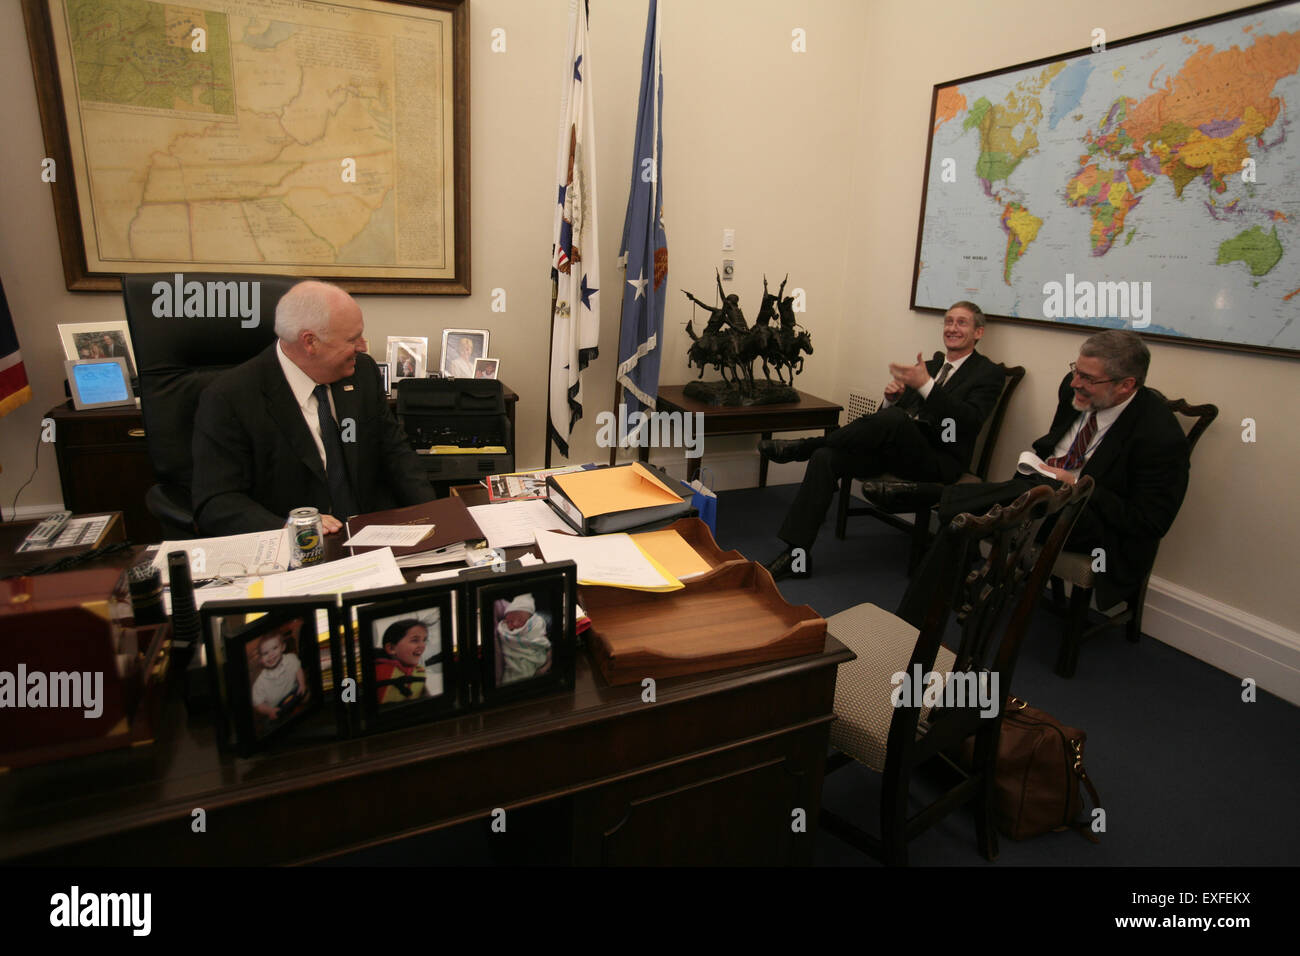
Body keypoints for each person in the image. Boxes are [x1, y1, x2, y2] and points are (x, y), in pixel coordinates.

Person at [897, 329, 1191, 623]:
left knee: (981, 508)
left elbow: (1150, 522)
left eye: (1088, 378)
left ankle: (940, 500)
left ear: (1127, 385)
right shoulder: (1074, 388)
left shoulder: (1161, 437)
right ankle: (931, 608)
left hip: (1094, 522)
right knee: (969, 518)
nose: (1075, 382)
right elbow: (1053, 441)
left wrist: (1075, 483)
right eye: (1076, 370)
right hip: (1037, 492)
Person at [760, 301, 1006, 580]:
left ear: (978, 333)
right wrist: (891, 401)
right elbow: (881, 423)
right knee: (826, 458)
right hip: (896, 449)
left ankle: (806, 445)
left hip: (940, 460)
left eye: (961, 323)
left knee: (897, 419)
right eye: (948, 322)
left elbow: (967, 423)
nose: (952, 328)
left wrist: (926, 387)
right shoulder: (932, 365)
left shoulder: (988, 374)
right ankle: (797, 556)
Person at [191, 280, 434, 535]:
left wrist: (438, 516)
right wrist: (291, 528)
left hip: (373, 534)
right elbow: (216, 502)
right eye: (352, 339)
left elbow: (396, 455)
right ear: (310, 342)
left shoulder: (362, 373)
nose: (362, 346)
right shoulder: (229, 398)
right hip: (300, 551)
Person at [251, 628, 309, 728]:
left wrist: (302, 684)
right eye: (265, 653)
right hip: (276, 708)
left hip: (294, 694)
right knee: (270, 725)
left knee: (307, 694)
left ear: (283, 647)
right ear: (261, 659)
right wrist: (269, 711)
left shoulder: (291, 659)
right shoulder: (260, 682)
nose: (271, 655)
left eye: (275, 648)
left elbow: (298, 669)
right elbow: (258, 704)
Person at [495, 594, 552, 686]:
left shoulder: (533, 623)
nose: (513, 624)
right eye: (509, 621)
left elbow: (540, 640)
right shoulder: (503, 627)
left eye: (520, 619)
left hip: (529, 653)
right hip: (511, 660)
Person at [373, 619, 428, 704]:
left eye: (424, 640)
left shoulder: (419, 672)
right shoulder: (378, 671)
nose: (422, 645)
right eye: (415, 640)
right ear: (391, 648)